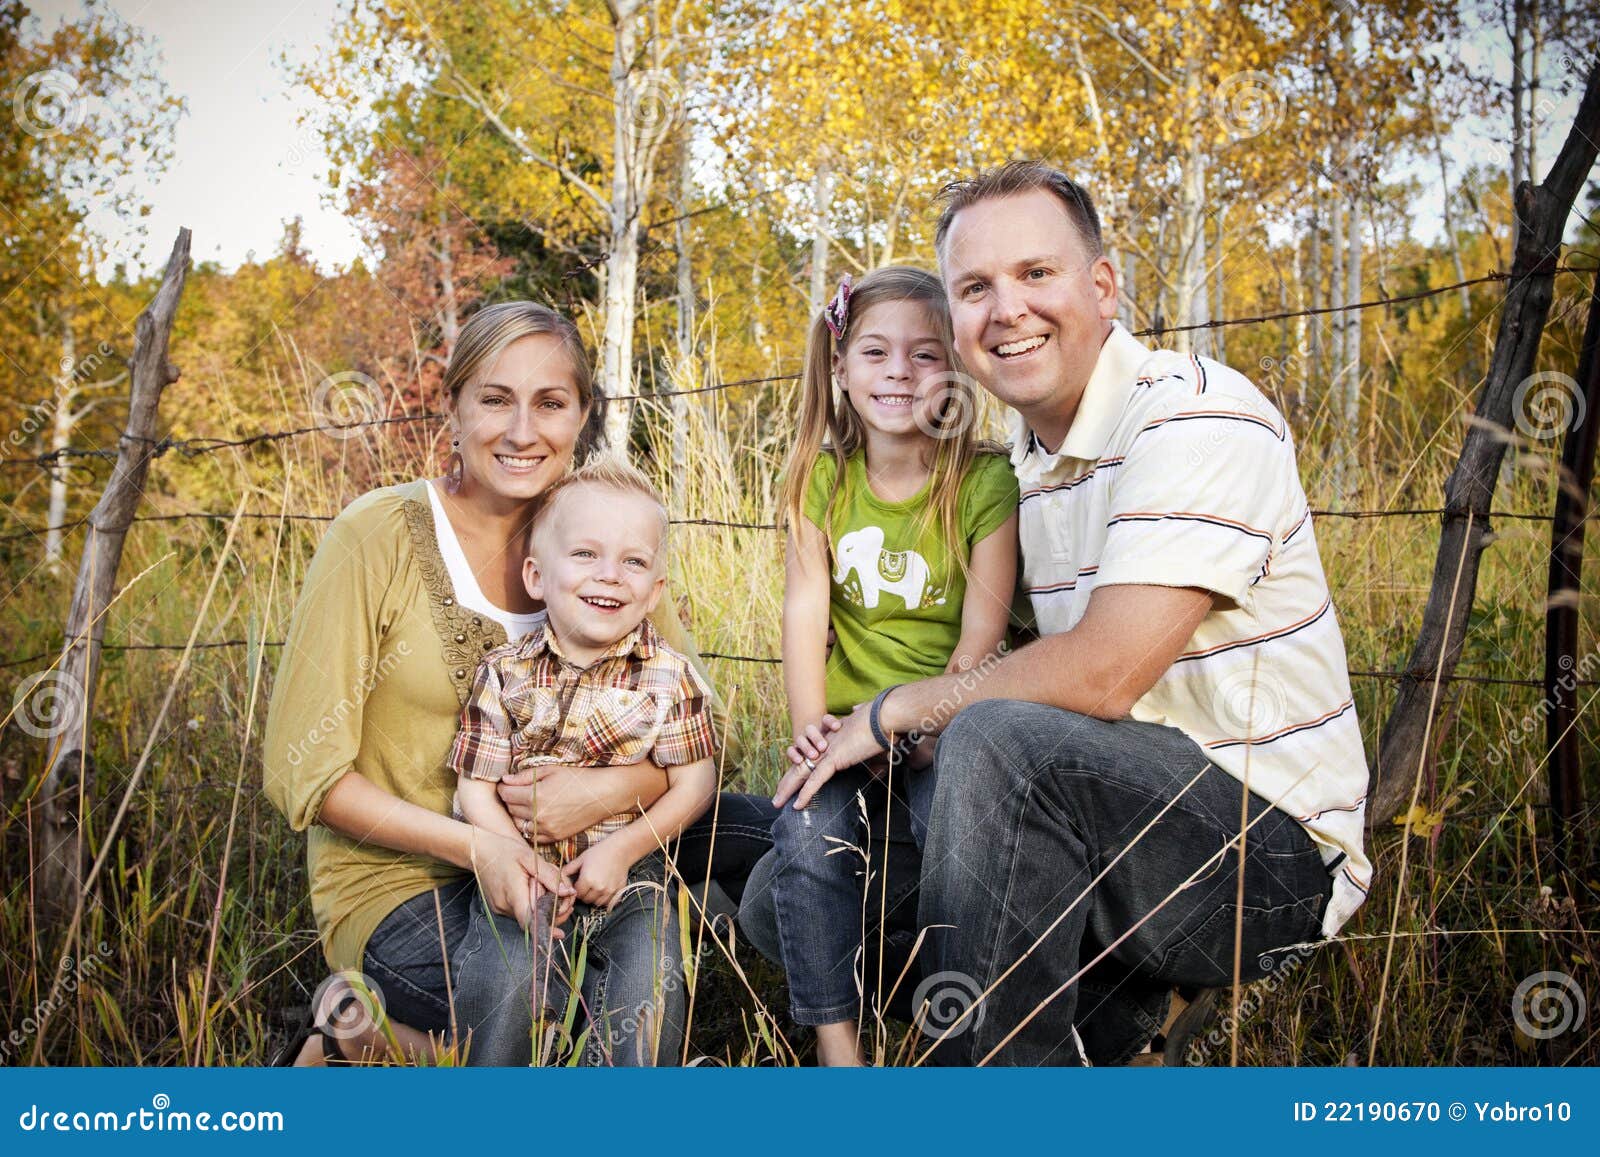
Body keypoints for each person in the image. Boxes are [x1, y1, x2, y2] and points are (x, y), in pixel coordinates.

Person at [776, 161, 1372, 1066]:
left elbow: (1100, 671)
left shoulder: (1196, 419)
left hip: (1259, 855)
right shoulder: (1018, 472)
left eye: (1036, 273)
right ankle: (1063, 1037)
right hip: (1097, 814)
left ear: (1103, 285)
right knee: (795, 881)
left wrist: (888, 713)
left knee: (995, 738)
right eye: (975, 287)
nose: (1005, 308)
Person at [263, 301, 747, 1066]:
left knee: (658, 966)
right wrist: (479, 845)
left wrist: (605, 792)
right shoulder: (378, 534)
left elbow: (692, 729)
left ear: (582, 415)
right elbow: (305, 774)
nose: (523, 431)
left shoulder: (601, 536)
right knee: (541, 990)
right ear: (452, 406)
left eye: (550, 403)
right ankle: (365, 1036)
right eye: (495, 399)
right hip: (409, 878)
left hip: (584, 857)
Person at [753, 266, 1018, 1065]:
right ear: (839, 369)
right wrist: (809, 726)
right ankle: (840, 1050)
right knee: (805, 838)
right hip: (843, 728)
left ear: (959, 371)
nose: (899, 371)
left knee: (954, 847)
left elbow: (983, 634)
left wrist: (937, 723)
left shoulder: (984, 482)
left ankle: (963, 1031)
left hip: (945, 729)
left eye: (926, 354)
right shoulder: (821, 479)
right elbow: (807, 610)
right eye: (874, 351)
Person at [449, 459, 717, 1065]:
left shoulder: (671, 678)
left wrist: (622, 852)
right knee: (507, 983)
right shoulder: (504, 673)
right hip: (523, 875)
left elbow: (695, 783)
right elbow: (474, 788)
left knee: (645, 987)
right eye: (587, 555)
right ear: (537, 576)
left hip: (633, 880)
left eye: (634, 562)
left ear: (656, 591)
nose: (611, 576)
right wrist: (513, 860)